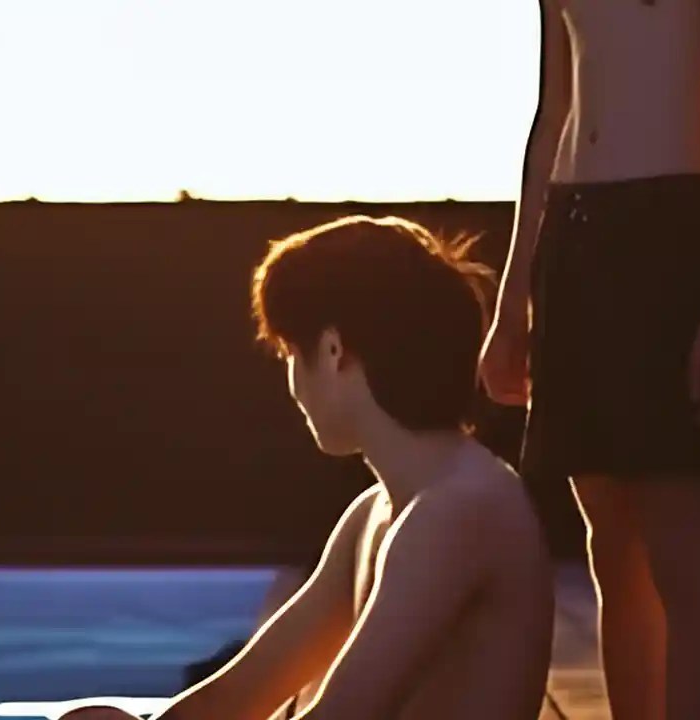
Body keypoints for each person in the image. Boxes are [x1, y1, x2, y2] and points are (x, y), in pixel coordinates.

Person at [67, 215, 556, 720]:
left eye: (288, 353)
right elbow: (240, 693)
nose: (293, 383)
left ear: (333, 350)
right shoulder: (376, 513)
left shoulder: (459, 510)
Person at [479, 2, 700, 719]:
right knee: (610, 540)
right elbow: (552, 114)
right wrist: (514, 297)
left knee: (678, 540)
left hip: (671, 233)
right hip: (575, 241)